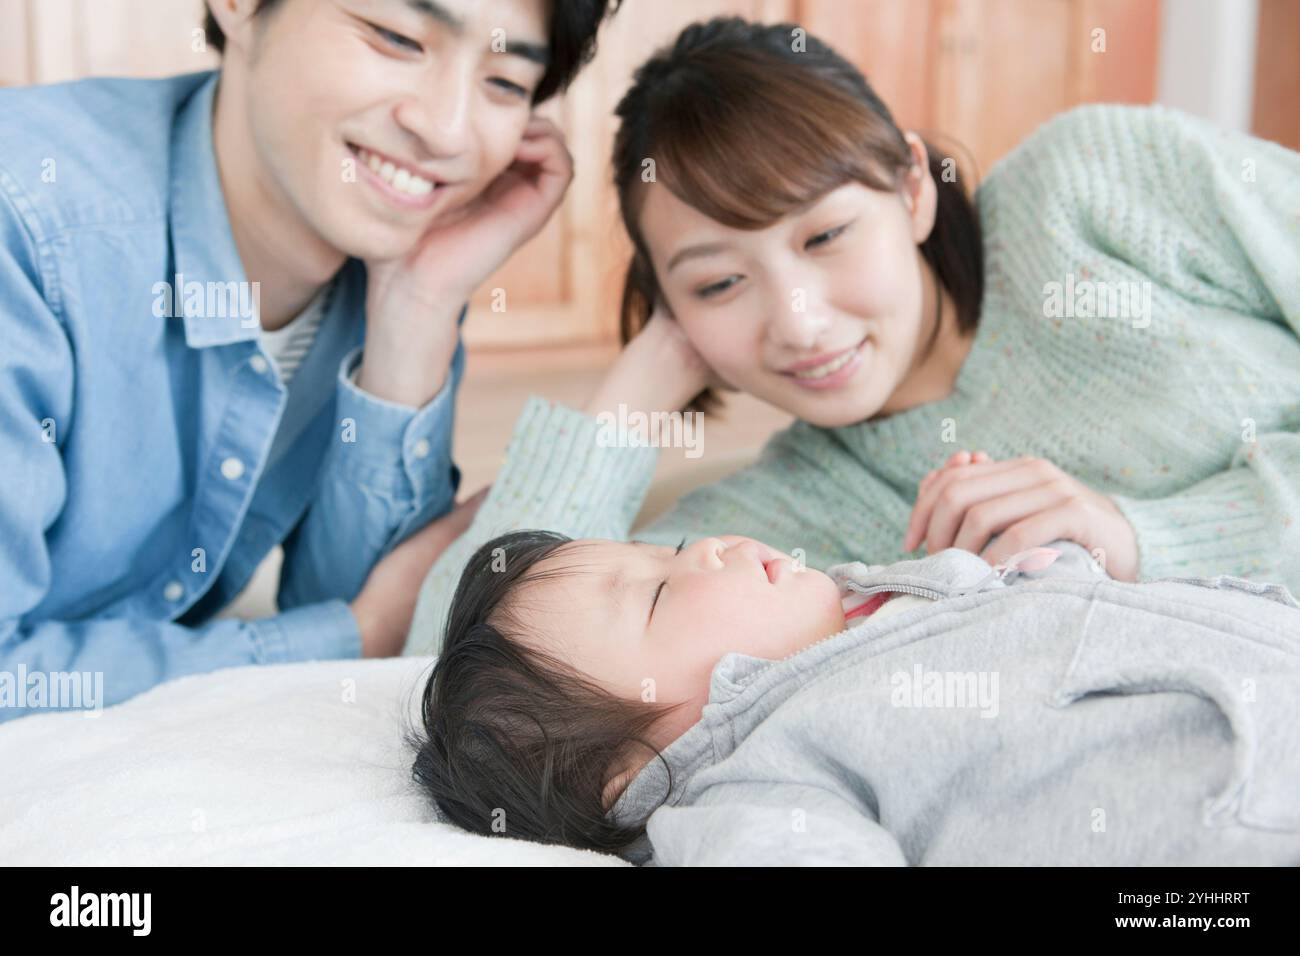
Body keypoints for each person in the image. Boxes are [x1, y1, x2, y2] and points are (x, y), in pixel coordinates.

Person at [405, 16, 1300, 652]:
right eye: (720, 282)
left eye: (826, 236)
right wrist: (636, 391)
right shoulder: (787, 521)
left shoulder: (1093, 185)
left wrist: (1147, 541)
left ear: (911, 186)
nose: (799, 321)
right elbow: (473, 655)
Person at [0, 0, 618, 722]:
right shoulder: (29, 223)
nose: (446, 130)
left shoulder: (388, 254)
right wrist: (351, 638)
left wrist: (418, 306)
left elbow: (365, 628)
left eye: (506, 84)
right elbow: (360, 629)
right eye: (397, 37)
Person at [409, 459, 1300, 864]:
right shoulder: (760, 777)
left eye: (667, 547)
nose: (705, 548)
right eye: (655, 595)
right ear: (630, 776)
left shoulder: (862, 607)